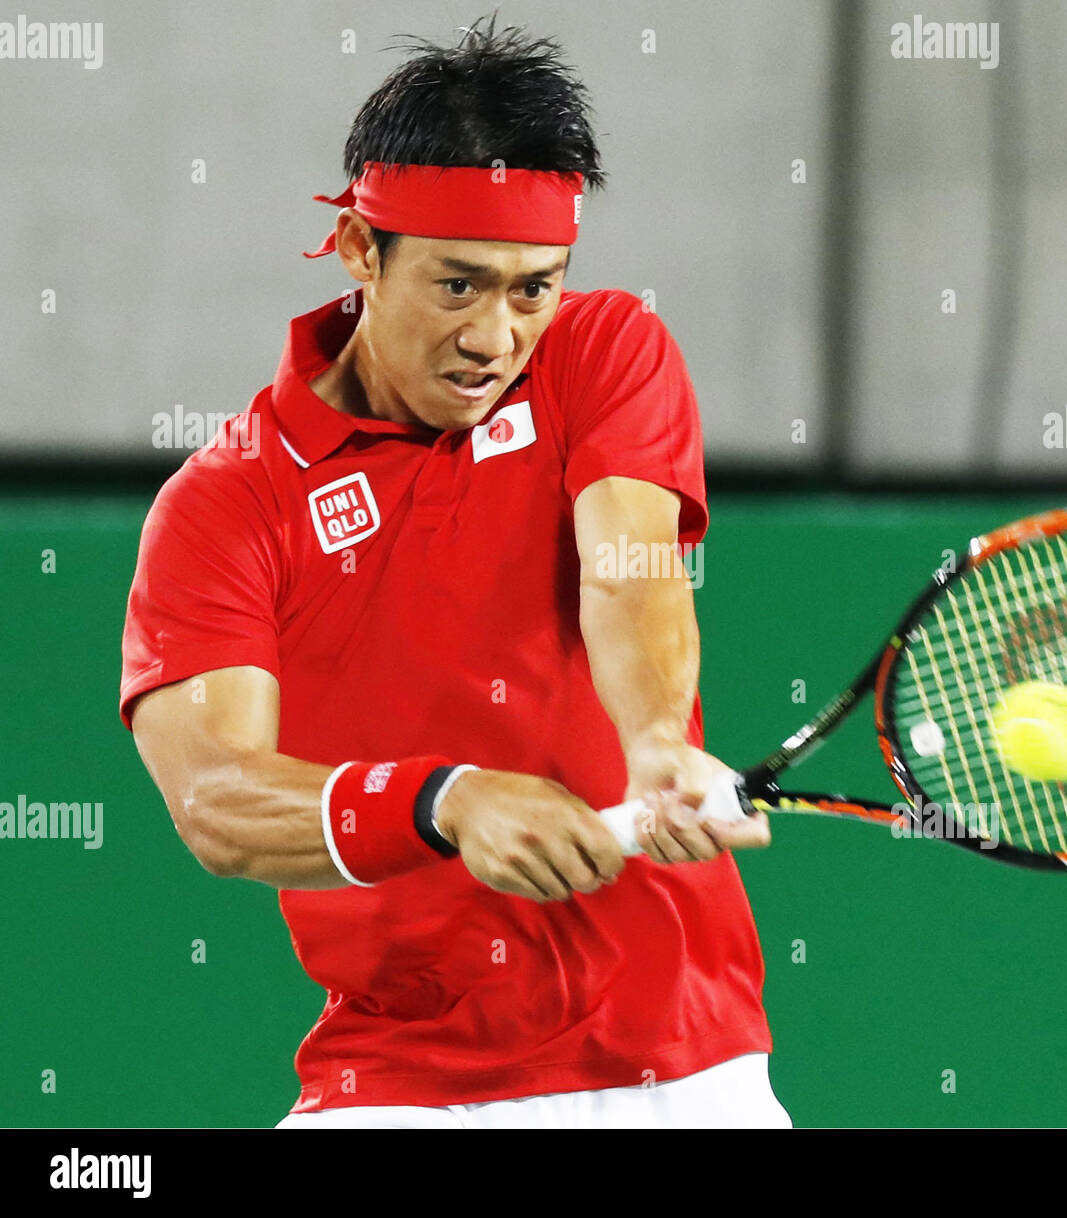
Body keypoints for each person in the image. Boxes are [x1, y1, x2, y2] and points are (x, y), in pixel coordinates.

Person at [119, 18, 790, 1129]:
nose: (496, 335)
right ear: (357, 250)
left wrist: (657, 740)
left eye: (534, 288)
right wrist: (444, 801)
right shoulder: (225, 505)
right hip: (396, 1087)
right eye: (459, 285)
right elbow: (217, 802)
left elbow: (627, 569)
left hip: (681, 1072)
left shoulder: (605, 350)